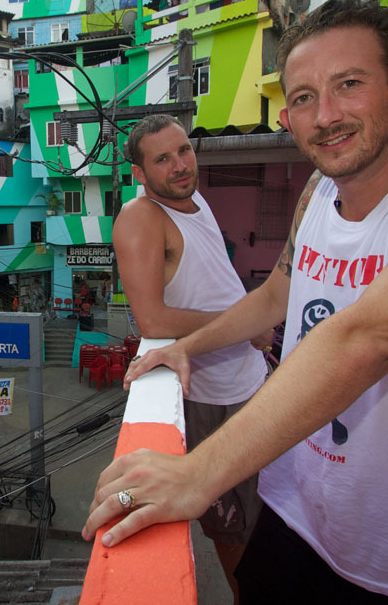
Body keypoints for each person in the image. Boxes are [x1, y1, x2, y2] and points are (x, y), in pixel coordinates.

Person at [83, 0, 388, 603]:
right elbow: (276, 293)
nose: (325, 115)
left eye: (348, 85)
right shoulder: (320, 192)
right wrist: (183, 346)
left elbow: (370, 335)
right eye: (302, 97)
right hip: (298, 519)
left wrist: (196, 473)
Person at [114, 114, 271, 602]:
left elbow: (212, 283)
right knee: (237, 533)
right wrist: (246, 321)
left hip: (253, 382)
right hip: (213, 402)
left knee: (275, 519)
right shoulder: (141, 218)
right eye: (162, 159)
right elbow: (153, 321)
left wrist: (249, 322)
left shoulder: (194, 198)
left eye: (184, 150)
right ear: (140, 173)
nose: (180, 165)